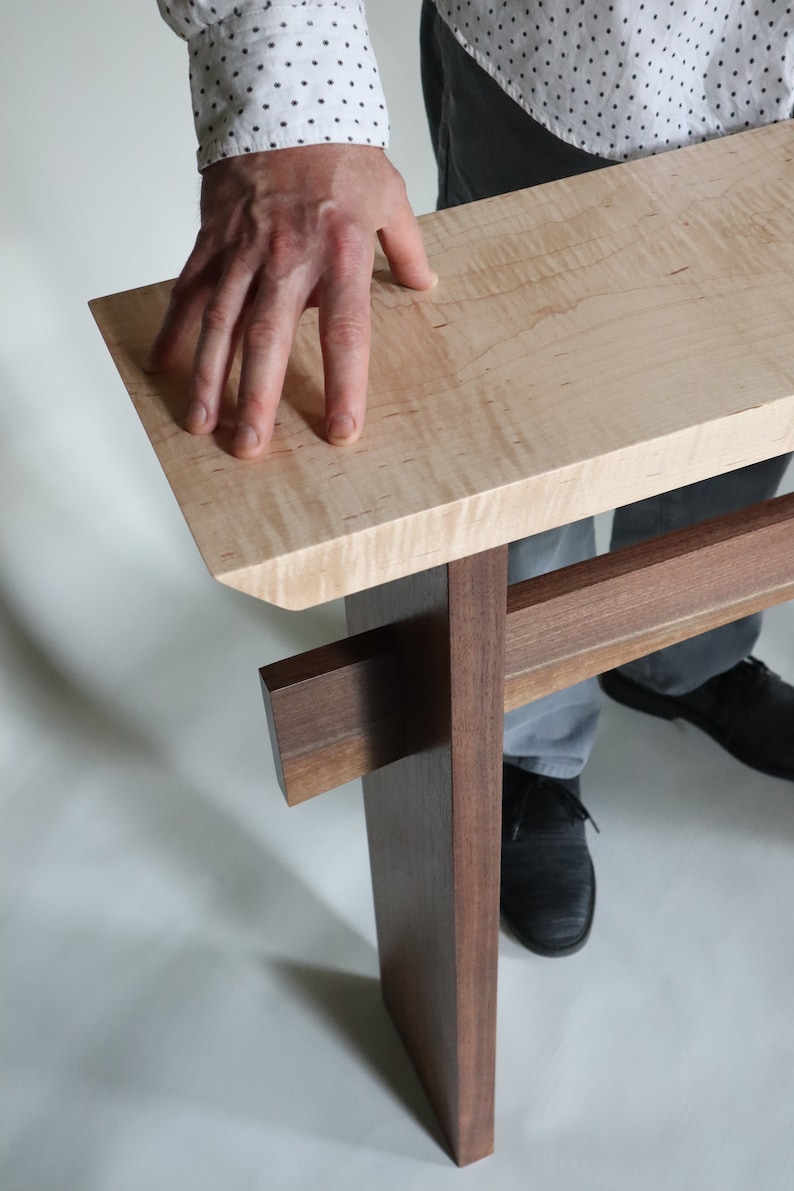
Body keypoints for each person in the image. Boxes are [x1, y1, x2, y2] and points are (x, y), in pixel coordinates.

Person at [150, 0, 794, 957]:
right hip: (580, 57)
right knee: (517, 418)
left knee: (758, 370)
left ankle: (680, 653)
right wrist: (292, 97)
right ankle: (522, 736)